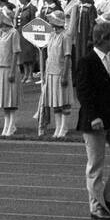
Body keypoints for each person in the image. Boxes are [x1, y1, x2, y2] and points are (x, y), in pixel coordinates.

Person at [74, 20, 110, 220]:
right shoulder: (87, 61)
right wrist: (93, 116)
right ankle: (97, 206)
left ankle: (109, 199)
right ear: (103, 38)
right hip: (95, 120)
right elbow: (83, 91)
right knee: (96, 164)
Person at [40, 10, 72, 139]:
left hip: (60, 72)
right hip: (51, 72)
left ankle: (64, 127)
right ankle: (58, 127)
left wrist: (64, 75)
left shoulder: (66, 36)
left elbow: (67, 56)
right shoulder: (52, 35)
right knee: (55, 102)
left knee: (64, 101)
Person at [0, 6, 21, 136]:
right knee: (3, 99)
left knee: (11, 98)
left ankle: (11, 124)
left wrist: (12, 71)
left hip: (10, 68)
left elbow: (15, 52)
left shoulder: (14, 33)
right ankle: (6, 124)